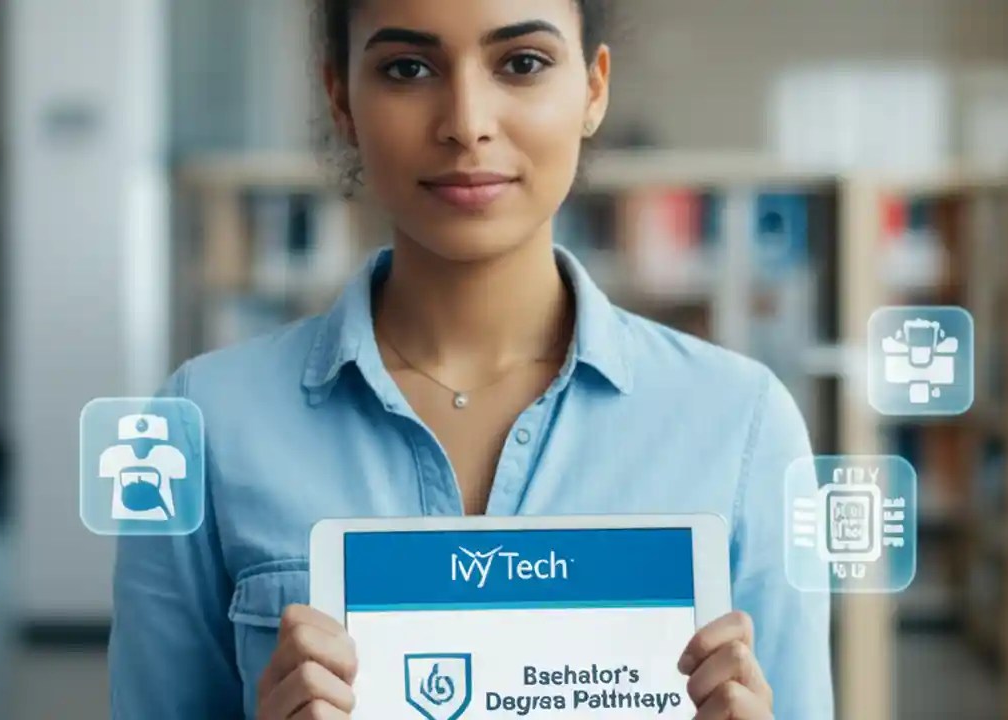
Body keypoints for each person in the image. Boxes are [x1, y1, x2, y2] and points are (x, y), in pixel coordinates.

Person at [108, 0, 832, 717]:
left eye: (522, 63)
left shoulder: (741, 423)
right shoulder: (203, 424)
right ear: (341, 98)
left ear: (593, 89)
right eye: (407, 68)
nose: (466, 122)